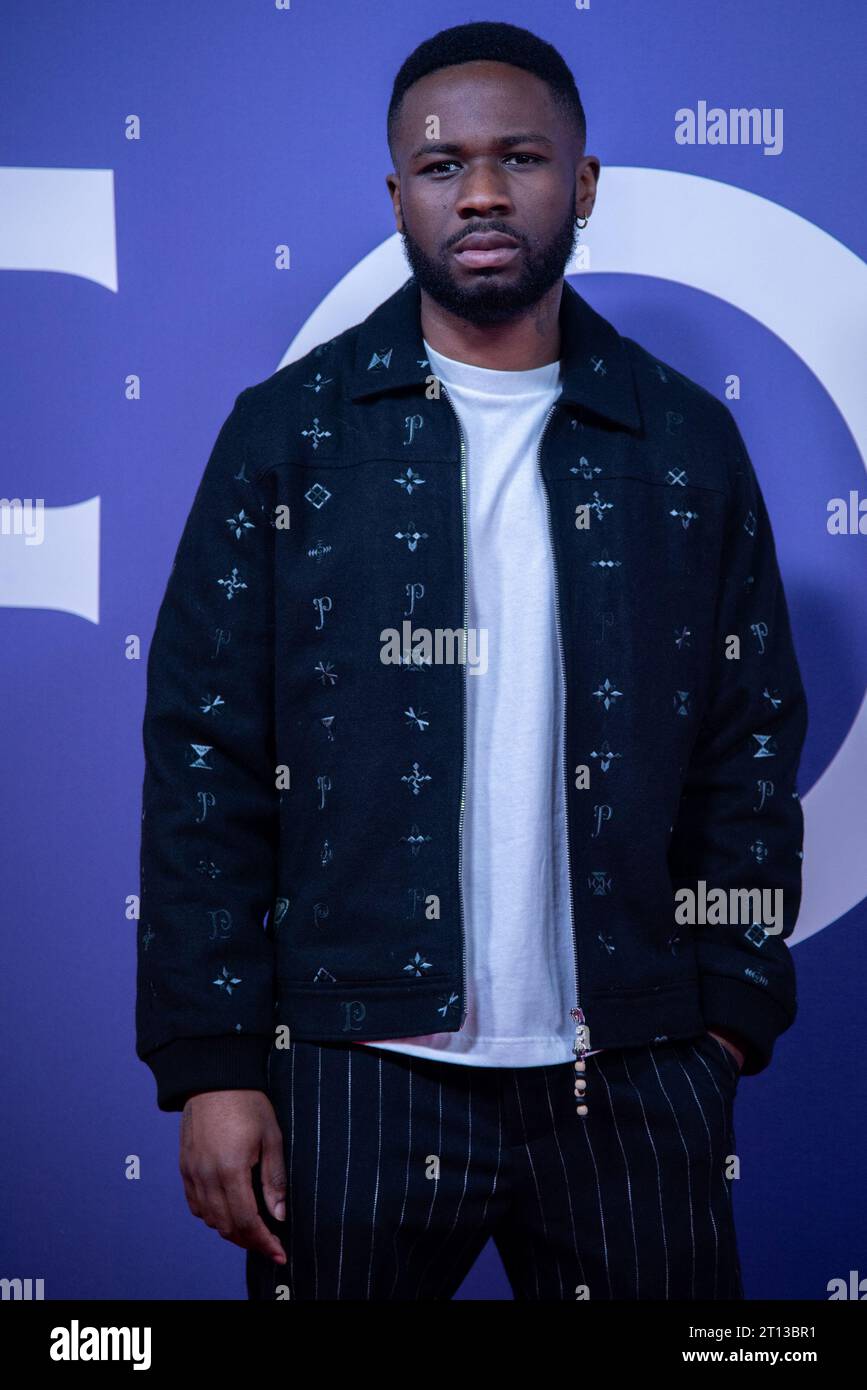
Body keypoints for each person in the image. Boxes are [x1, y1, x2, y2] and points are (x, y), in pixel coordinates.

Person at [136, 21, 808, 1301]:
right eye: (443, 166)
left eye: (523, 158)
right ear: (398, 196)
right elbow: (205, 756)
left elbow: (751, 739)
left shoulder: (683, 443)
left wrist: (725, 1019)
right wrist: (218, 1061)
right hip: (349, 1066)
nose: (484, 192)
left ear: (586, 183)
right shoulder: (289, 436)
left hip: (636, 1060)